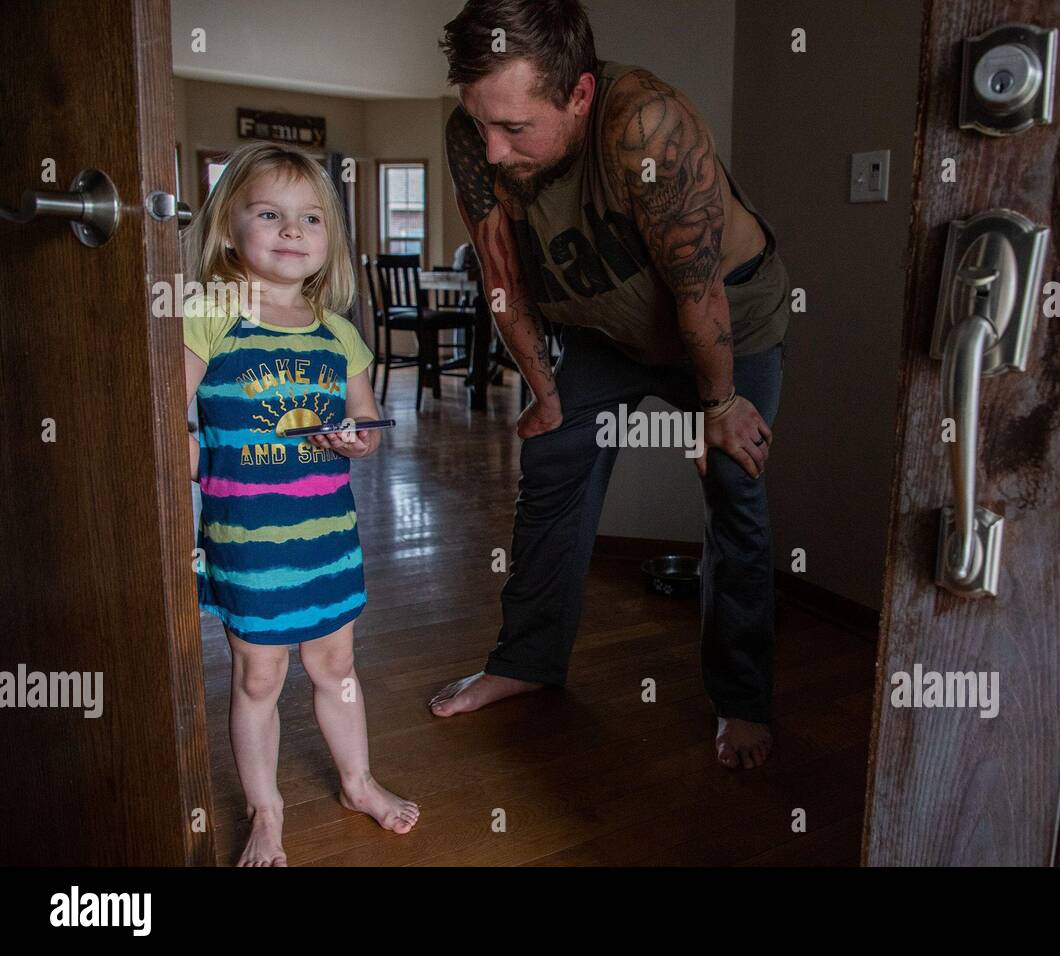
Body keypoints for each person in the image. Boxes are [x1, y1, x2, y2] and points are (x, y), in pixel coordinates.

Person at [428, 0, 792, 770]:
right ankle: (525, 661)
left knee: (735, 482)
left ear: (580, 96)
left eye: (515, 128)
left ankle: (742, 700)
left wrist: (718, 405)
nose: (491, 150)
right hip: (609, 329)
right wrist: (543, 389)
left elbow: (699, 290)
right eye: (480, 122)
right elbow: (502, 275)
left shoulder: (645, 125)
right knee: (554, 456)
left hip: (723, 317)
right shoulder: (474, 136)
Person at [181, 141, 419, 865]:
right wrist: (190, 463)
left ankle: (358, 781)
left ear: (329, 238)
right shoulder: (210, 313)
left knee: (336, 667)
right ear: (230, 229)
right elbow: (161, 408)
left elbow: (369, 429)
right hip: (248, 538)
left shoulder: (338, 333)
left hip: (327, 538)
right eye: (270, 214)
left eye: (310, 217)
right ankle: (266, 811)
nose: (292, 230)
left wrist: (356, 442)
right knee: (260, 675)